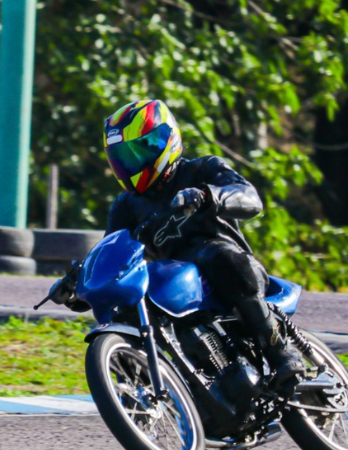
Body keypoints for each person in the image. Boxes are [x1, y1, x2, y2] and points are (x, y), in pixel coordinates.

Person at [97, 99, 305, 391]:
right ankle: (143, 389)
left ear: (164, 141)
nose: (129, 163)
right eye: (122, 157)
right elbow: (111, 250)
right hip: (174, 285)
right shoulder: (126, 206)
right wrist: (77, 280)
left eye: (137, 151)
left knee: (216, 255)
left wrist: (209, 196)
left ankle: (281, 352)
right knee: (126, 307)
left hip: (227, 268)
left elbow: (250, 199)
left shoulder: (203, 169)